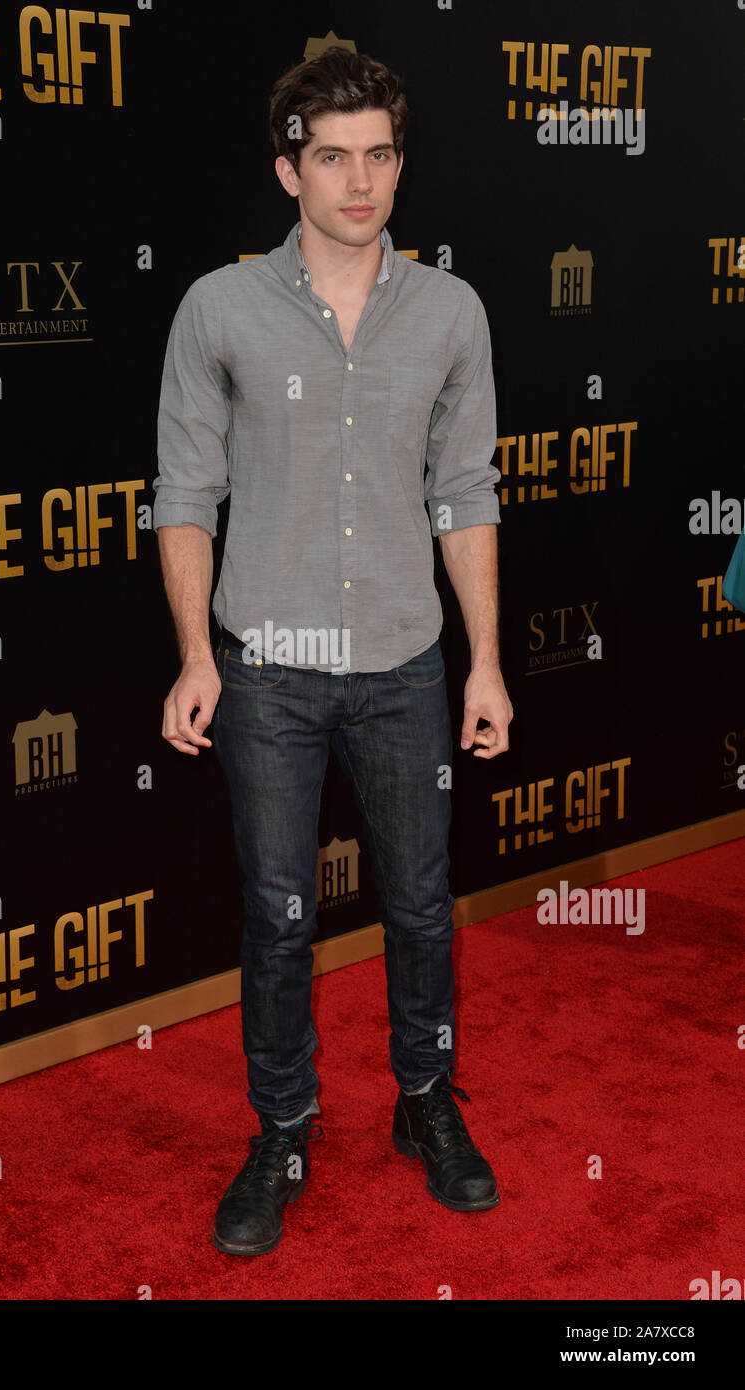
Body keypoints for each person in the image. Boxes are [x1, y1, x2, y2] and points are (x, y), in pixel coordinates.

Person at [153, 45, 513, 1257]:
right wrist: (195, 654)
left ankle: (423, 1105)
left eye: (378, 155)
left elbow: (466, 493)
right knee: (276, 914)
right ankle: (284, 1126)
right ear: (287, 169)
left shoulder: (450, 312)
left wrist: (487, 663)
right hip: (265, 670)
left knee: (419, 904)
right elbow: (185, 494)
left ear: (399, 165)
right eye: (331, 158)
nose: (358, 181)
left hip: (410, 662)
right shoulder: (218, 308)